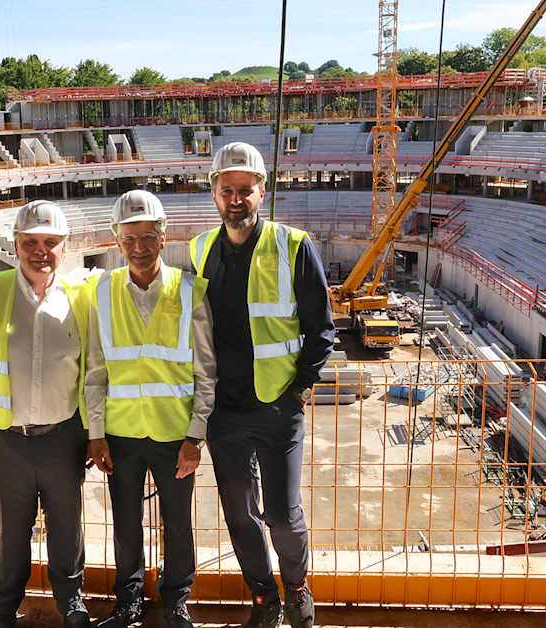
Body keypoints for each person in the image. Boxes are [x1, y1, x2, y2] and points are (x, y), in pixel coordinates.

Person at [189, 142, 335, 628]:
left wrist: (298, 389)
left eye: (245, 191)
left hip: (277, 410)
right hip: (223, 414)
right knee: (240, 515)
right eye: (226, 190)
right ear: (213, 194)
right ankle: (262, 596)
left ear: (262, 192)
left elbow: (322, 330)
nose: (236, 199)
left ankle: (295, 587)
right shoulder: (200, 249)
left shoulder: (294, 246)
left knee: (281, 513)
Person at [0, 200, 92, 628]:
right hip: (6, 440)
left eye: (50, 242)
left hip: (64, 437)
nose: (40, 251)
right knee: (11, 532)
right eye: (31, 242)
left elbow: (93, 372)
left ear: (65, 247)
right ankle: (4, 608)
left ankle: (71, 601)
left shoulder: (79, 300)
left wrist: (93, 431)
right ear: (16, 245)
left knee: (67, 528)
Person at [85, 190, 216, 628]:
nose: (138, 248)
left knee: (178, 524)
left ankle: (176, 599)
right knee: (126, 523)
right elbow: (96, 370)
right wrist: (96, 433)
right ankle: (130, 601)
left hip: (175, 436)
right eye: (129, 239)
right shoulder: (100, 292)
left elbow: (206, 372)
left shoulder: (191, 291)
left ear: (164, 237)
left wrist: (196, 438)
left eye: (147, 237)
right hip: (121, 437)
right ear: (117, 242)